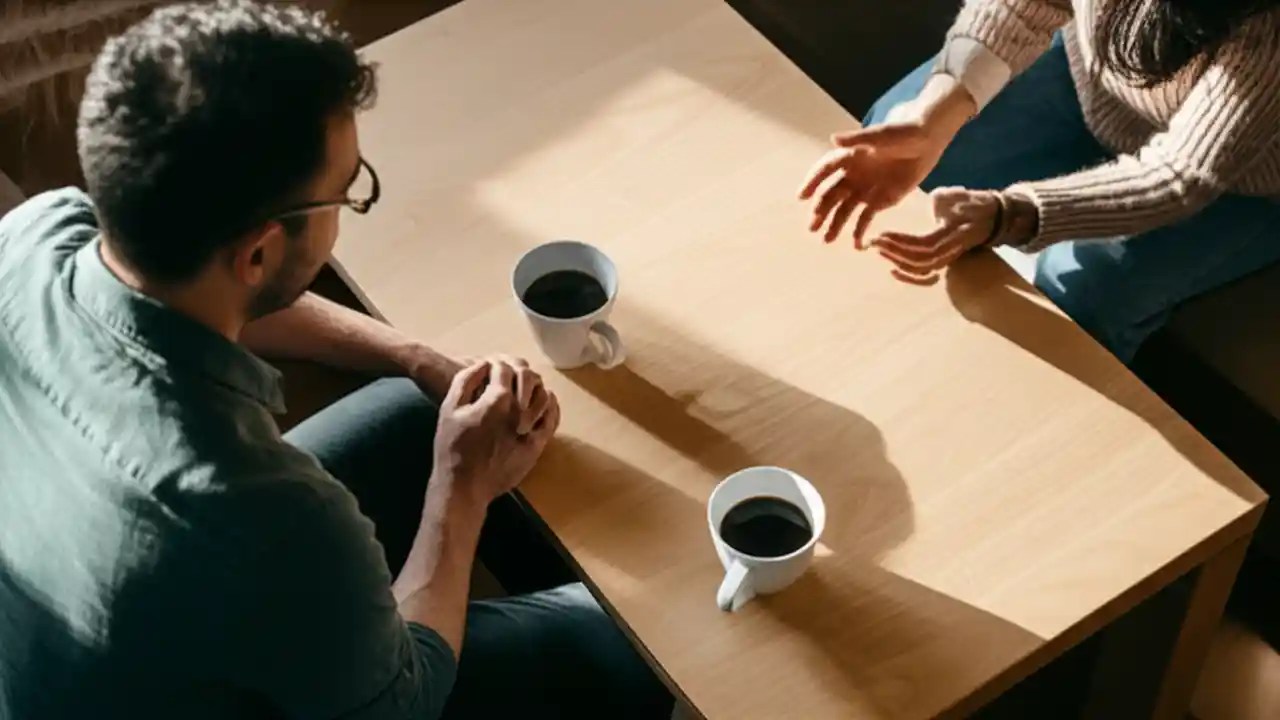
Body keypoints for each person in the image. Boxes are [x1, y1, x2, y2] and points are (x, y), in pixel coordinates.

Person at [0, 2, 671, 718]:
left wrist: (412, 356)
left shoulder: (34, 235)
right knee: (636, 640)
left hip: (93, 637)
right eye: (345, 193)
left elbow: (209, 294)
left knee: (427, 404)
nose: (347, 207)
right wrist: (461, 488)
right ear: (260, 252)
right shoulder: (265, 514)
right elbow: (406, 701)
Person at [798, 0, 1280, 363]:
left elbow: (1178, 174)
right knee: (890, 149)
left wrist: (1012, 214)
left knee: (1080, 293)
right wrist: (934, 113)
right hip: (1091, 79)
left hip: (1240, 178)